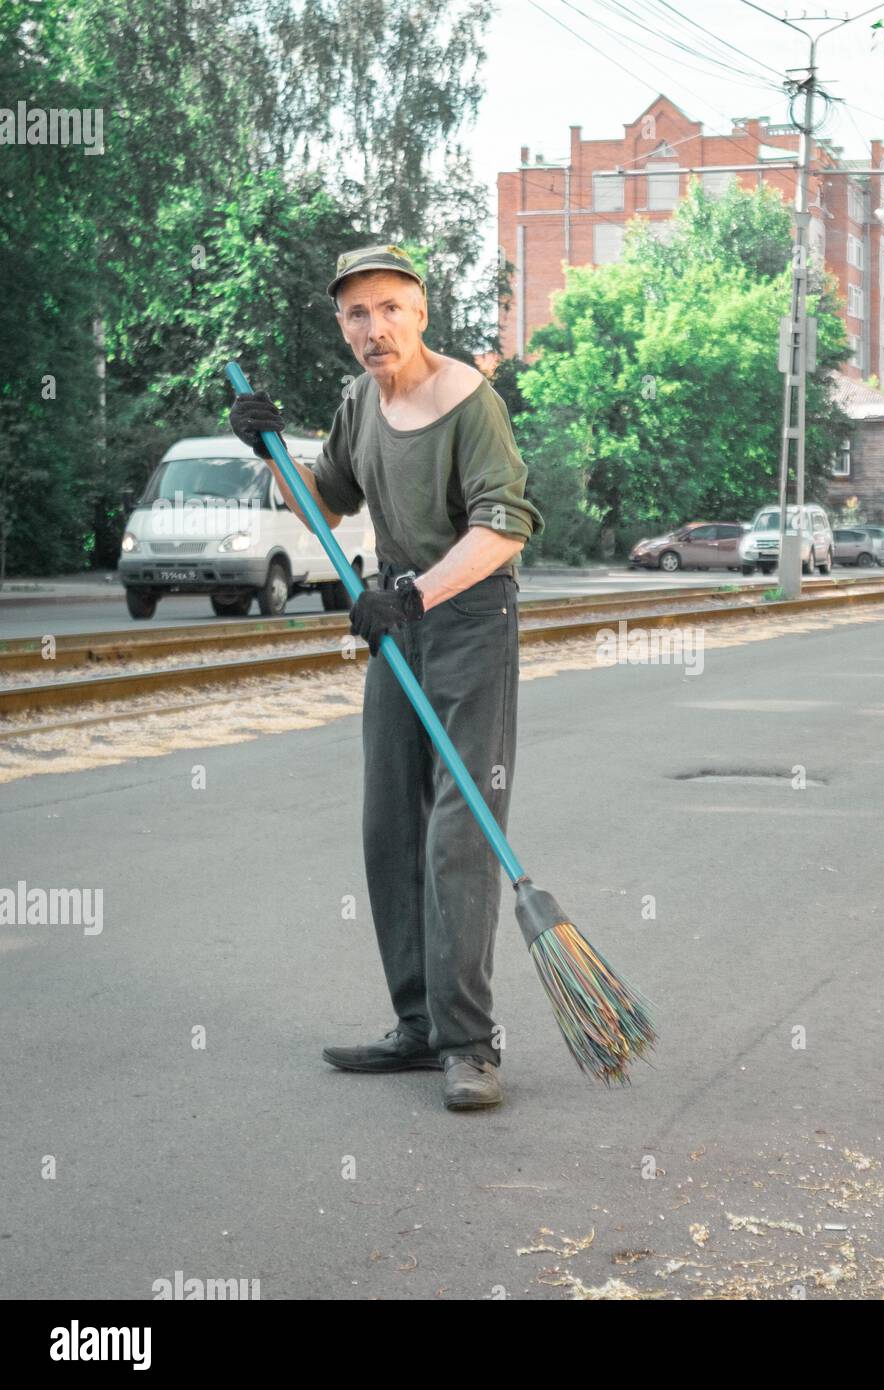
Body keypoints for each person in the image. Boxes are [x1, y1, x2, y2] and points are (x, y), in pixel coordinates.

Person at [230, 244, 543, 1111]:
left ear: (422, 311)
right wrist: (268, 451)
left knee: (458, 833)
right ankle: (418, 1029)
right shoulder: (358, 402)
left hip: (469, 617)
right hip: (397, 619)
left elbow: (505, 528)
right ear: (343, 325)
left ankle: (470, 1044)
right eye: (357, 314)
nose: (375, 328)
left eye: (390, 308)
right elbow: (324, 500)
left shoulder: (468, 403)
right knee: (389, 827)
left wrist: (413, 594)